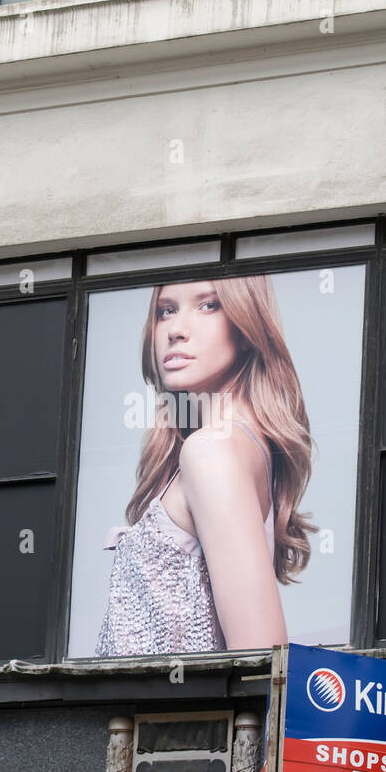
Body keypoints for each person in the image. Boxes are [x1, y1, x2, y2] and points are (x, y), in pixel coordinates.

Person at [95, 275, 315, 656]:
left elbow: (261, 658)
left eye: (208, 305)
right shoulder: (234, 445)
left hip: (169, 715)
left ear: (247, 327)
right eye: (166, 311)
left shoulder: (212, 450)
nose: (176, 330)